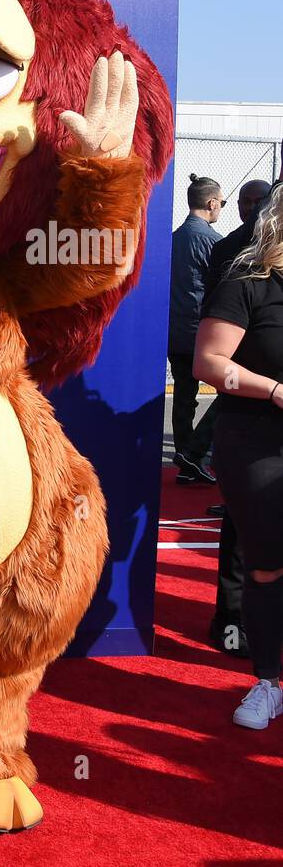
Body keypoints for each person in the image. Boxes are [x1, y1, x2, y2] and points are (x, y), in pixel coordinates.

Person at [194, 185, 283, 729]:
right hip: (257, 443)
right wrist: (275, 390)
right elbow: (208, 361)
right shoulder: (249, 285)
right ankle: (268, 682)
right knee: (269, 565)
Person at [169, 174, 226, 483]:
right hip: (202, 335)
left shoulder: (175, 239)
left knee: (183, 397)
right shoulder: (213, 242)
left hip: (175, 333)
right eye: (223, 203)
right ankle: (194, 451)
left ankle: (185, 459)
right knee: (229, 394)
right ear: (212, 203)